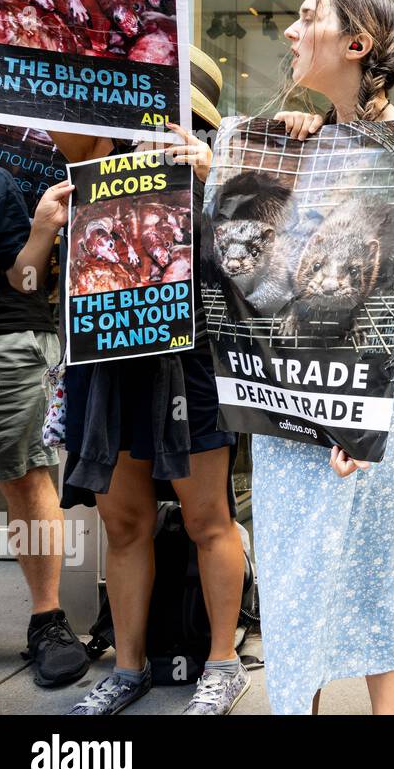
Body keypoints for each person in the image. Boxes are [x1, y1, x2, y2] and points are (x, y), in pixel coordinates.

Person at [256, 0, 394, 715]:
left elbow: (378, 282)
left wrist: (359, 417)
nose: (292, 31)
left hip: (369, 373)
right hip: (293, 370)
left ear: (357, 45)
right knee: (295, 562)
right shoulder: (309, 139)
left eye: (309, 18)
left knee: (377, 556)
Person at [51, 47, 252, 715]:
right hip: (107, 365)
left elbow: (259, 266)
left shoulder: (217, 166)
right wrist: (48, 230)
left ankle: (223, 661)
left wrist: (215, 178)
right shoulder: (91, 169)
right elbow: (42, 276)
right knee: (125, 521)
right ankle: (127, 665)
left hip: (186, 363)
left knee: (207, 518)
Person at [0, 134, 89, 688]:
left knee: (24, 477)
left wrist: (44, 230)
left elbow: (25, 279)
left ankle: (46, 616)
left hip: (6, 337)